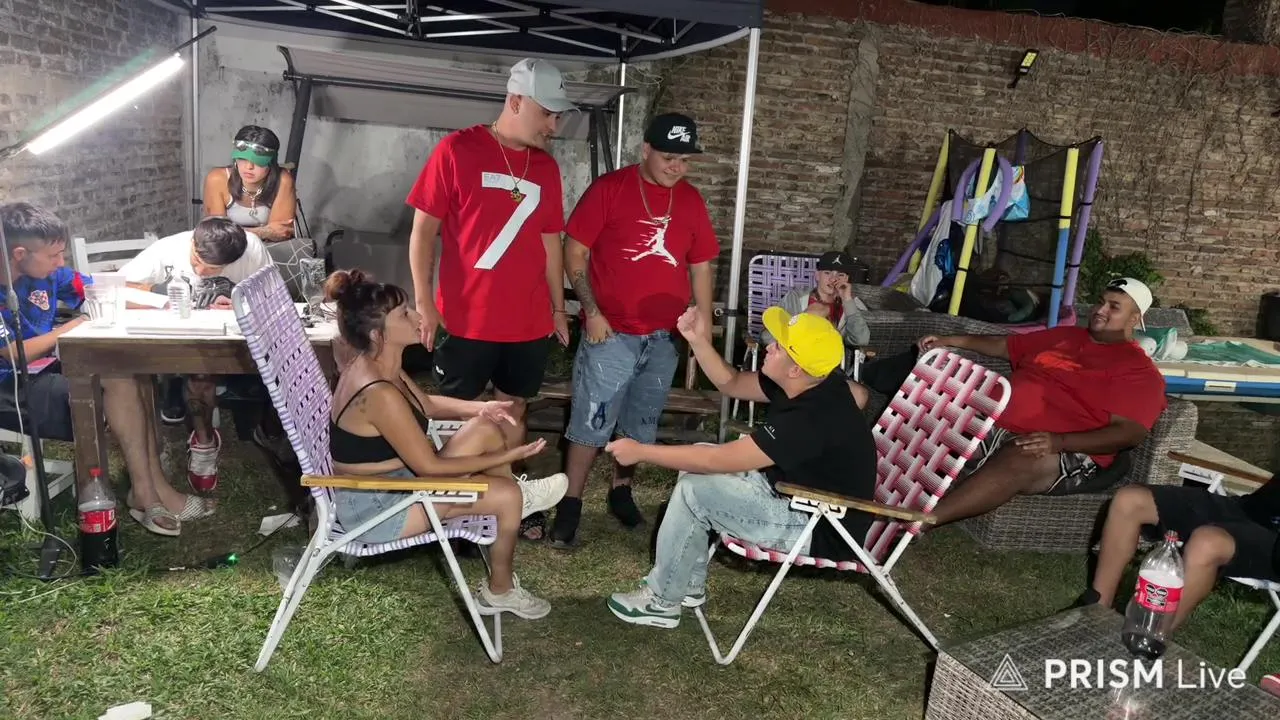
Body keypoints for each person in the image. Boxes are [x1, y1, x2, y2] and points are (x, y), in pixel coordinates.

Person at [604, 306, 875, 627]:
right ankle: (686, 584)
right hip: (792, 492)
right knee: (698, 460)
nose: (769, 346)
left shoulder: (810, 419)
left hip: (819, 526)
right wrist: (697, 339)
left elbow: (719, 460)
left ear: (795, 369)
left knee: (695, 490)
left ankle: (662, 602)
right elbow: (731, 382)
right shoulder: (809, 382)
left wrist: (641, 452)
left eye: (779, 346)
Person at [325, 269, 568, 617]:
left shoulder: (380, 363)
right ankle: (500, 587)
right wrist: (512, 454)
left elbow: (426, 405)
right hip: (379, 510)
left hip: (396, 484)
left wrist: (482, 408)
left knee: (485, 428)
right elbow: (431, 467)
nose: (416, 317)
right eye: (404, 314)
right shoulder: (378, 392)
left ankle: (516, 495)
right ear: (379, 334)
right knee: (507, 497)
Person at [407, 57, 574, 536]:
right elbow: (422, 233)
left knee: (514, 409)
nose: (554, 126)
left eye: (558, 116)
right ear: (515, 101)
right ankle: (448, 506)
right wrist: (425, 303)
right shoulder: (457, 150)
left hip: (528, 319)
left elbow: (550, 242)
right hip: (465, 317)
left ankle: (506, 501)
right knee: (456, 413)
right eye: (547, 113)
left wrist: (558, 307)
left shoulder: (546, 167)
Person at [547, 112, 719, 549]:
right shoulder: (611, 189)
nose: (676, 167)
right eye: (668, 157)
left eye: (684, 160)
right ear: (645, 150)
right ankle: (571, 502)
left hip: (665, 336)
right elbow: (575, 251)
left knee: (641, 421)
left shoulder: (691, 200)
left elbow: (701, 264)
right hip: (612, 332)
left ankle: (621, 491)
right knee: (591, 420)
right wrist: (592, 312)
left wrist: (703, 319)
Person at [0, 202, 214, 535]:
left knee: (134, 370)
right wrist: (71, 327)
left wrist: (168, 300)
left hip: (48, 368)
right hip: (11, 389)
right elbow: (12, 354)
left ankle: (154, 486)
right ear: (19, 254)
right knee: (119, 378)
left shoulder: (49, 275)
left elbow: (102, 289)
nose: (61, 262)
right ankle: (145, 493)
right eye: (53, 255)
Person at [918, 277, 1167, 527]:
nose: (1100, 310)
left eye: (1114, 307)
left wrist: (1059, 442)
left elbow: (1129, 434)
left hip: (1065, 448)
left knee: (1022, 455)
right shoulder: (1066, 336)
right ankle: (900, 494)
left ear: (1134, 319)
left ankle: (920, 523)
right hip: (994, 421)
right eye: (1100, 302)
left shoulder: (1139, 372)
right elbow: (1005, 345)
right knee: (934, 409)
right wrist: (951, 340)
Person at [120, 216, 275, 492]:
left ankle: (274, 433)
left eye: (214, 269)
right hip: (182, 336)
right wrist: (160, 295)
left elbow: (272, 296)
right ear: (193, 242)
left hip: (235, 335)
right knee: (200, 375)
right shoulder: (168, 248)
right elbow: (120, 287)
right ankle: (203, 441)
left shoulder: (252, 249)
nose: (201, 271)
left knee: (283, 366)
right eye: (196, 261)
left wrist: (239, 300)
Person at [1076, 471, 1279, 632]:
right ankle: (1096, 611)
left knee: (1207, 544)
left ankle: (1148, 639)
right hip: (1251, 508)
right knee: (1130, 500)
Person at [202, 125, 297, 242]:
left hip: (268, 248)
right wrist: (265, 232)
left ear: (271, 163)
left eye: (258, 161)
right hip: (226, 248)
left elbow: (281, 234)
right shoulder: (217, 179)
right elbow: (217, 234)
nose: (249, 167)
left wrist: (232, 231)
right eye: (242, 158)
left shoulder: (283, 180)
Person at [760, 250, 870, 349]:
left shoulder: (853, 305)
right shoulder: (795, 298)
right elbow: (767, 337)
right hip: (795, 357)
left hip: (830, 361)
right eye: (827, 273)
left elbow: (861, 340)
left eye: (840, 275)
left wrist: (847, 300)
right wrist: (805, 320)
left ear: (847, 279)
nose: (833, 279)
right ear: (817, 275)